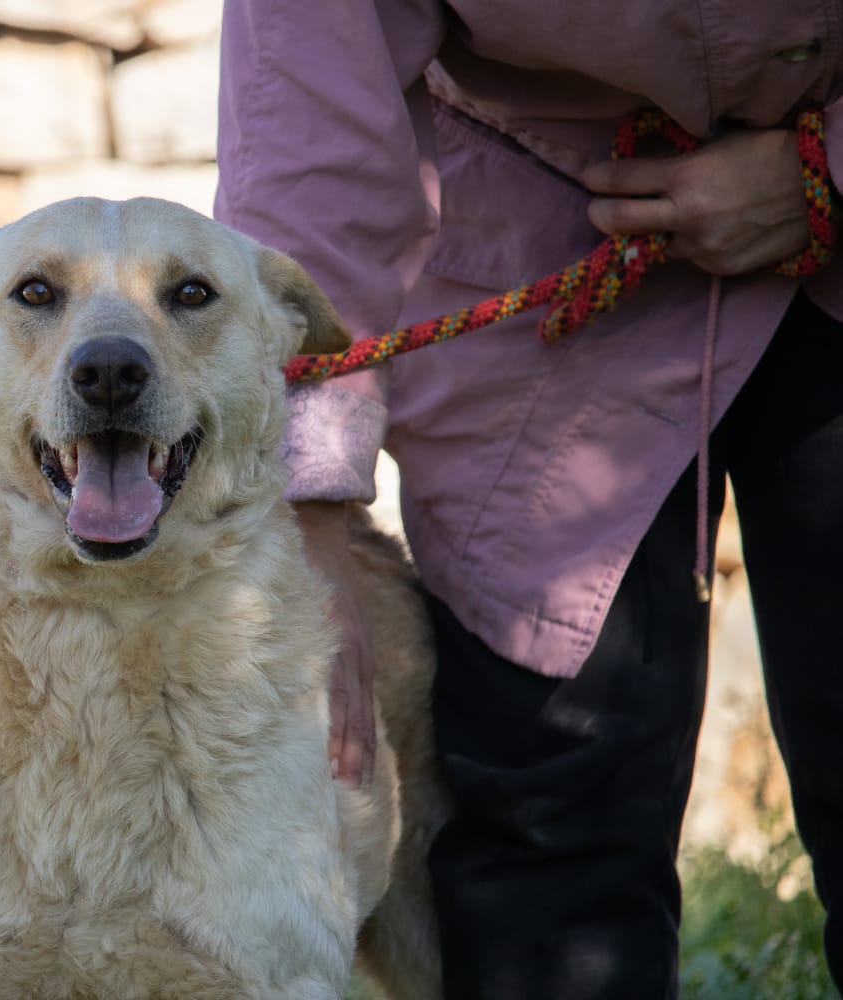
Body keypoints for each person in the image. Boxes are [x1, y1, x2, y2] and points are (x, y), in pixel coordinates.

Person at [213, 2, 843, 997]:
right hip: (541, 254)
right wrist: (307, 510)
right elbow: (307, 127)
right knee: (551, 830)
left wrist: (825, 171)